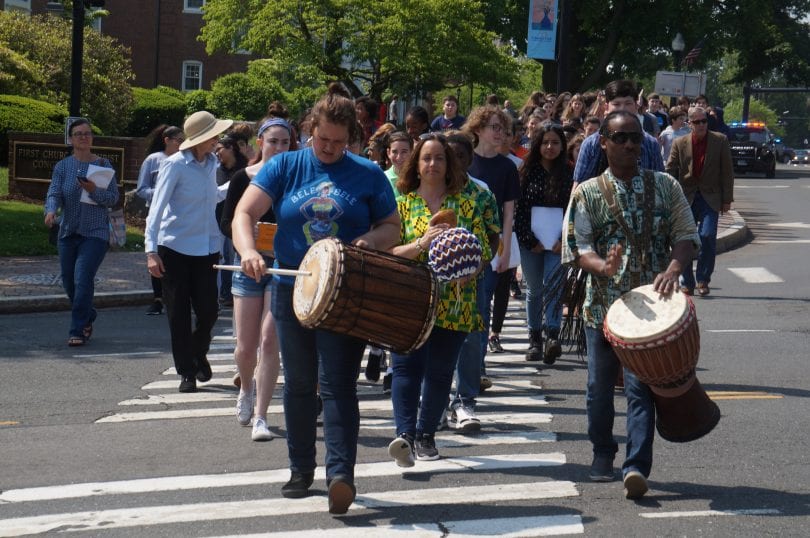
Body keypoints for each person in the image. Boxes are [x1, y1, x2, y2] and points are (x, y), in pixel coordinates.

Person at [232, 84, 400, 515]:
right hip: (293, 287)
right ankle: (300, 468)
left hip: (344, 290)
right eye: (323, 140)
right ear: (310, 130)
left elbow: (391, 227)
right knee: (301, 382)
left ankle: (341, 473)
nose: (329, 149)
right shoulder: (285, 166)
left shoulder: (367, 173)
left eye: (339, 143)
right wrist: (249, 251)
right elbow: (245, 213)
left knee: (338, 382)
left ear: (353, 139)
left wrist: (369, 239)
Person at [561, 110, 699, 500]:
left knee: (640, 390)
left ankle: (636, 466)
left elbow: (686, 234)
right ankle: (603, 449)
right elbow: (577, 247)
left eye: (636, 138)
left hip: (652, 314)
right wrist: (603, 265)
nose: (630, 145)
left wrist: (674, 267)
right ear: (602, 142)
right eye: (620, 138)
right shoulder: (587, 193)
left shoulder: (665, 186)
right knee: (598, 389)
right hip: (603, 308)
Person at [387, 133, 489, 464]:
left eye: (440, 158)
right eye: (426, 158)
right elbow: (389, 253)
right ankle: (404, 435)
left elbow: (485, 250)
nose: (433, 164)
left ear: (449, 166)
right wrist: (422, 244)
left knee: (440, 372)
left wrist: (469, 271)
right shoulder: (401, 205)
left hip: (456, 302)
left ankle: (426, 434)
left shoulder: (466, 205)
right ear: (415, 165)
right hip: (410, 299)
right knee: (406, 369)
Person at [144, 110, 233, 393]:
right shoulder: (175, 166)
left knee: (209, 311)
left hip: (207, 248)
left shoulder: (210, 164)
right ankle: (187, 372)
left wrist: (240, 181)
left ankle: (197, 351)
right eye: (214, 136)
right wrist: (151, 250)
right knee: (178, 314)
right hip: (175, 248)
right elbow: (156, 209)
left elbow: (213, 195)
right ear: (201, 138)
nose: (218, 141)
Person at [220, 117, 295, 440]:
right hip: (248, 266)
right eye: (273, 141)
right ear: (260, 142)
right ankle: (245, 388)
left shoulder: (295, 179)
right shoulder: (243, 178)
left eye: (285, 142)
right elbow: (227, 222)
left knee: (269, 341)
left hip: (281, 267)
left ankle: (262, 415)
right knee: (245, 346)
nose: (278, 148)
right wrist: (245, 235)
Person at [45, 118, 119, 347]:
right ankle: (87, 315)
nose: (84, 137)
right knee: (69, 282)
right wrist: (50, 210)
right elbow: (54, 192)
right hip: (68, 232)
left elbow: (112, 199)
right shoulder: (63, 167)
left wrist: (93, 190)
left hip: (95, 233)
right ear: (70, 139)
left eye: (87, 133)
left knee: (83, 279)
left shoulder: (104, 166)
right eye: (79, 134)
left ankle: (77, 329)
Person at [444, 131, 500, 430]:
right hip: (435, 281)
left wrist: (480, 264)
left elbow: (493, 232)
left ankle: (465, 402)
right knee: (434, 341)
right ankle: (435, 404)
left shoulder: (482, 193)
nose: (455, 162)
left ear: (470, 159)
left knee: (470, 340)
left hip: (472, 280)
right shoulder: (429, 190)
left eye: (461, 156)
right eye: (448, 156)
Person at [514, 122, 573, 364]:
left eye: (555, 142)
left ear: (562, 146)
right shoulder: (525, 171)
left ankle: (552, 336)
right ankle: (534, 339)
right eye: (545, 142)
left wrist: (563, 239)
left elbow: (574, 209)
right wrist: (529, 239)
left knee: (554, 287)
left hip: (558, 242)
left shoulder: (570, 173)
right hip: (531, 241)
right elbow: (518, 209)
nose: (550, 147)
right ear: (538, 144)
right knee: (535, 290)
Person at [665, 106, 734, 297]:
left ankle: (703, 279)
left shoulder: (720, 140)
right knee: (685, 239)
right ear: (689, 124)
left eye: (704, 121)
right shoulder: (680, 143)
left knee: (707, 236)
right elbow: (671, 170)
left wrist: (727, 199)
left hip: (710, 197)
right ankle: (687, 281)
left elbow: (727, 172)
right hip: (686, 197)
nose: (702, 125)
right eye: (697, 122)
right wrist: (667, 195)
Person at [574, 80, 664, 186]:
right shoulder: (590, 144)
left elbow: (660, 186)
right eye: (616, 104)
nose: (622, 109)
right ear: (606, 107)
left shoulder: (650, 144)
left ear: (636, 106)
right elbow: (578, 186)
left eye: (628, 103)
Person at [135, 124, 184, 316]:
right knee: (157, 256)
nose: (182, 144)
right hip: (158, 215)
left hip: (178, 215)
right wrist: (162, 193)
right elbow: (141, 189)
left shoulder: (185, 161)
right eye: (178, 140)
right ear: (167, 140)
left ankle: (178, 297)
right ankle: (157, 299)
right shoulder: (153, 160)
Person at [214, 135, 249, 308]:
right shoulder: (215, 170)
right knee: (223, 258)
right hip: (221, 220)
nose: (216, 153)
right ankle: (225, 294)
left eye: (219, 148)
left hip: (241, 222)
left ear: (231, 148)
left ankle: (235, 293)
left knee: (235, 255)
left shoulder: (246, 170)